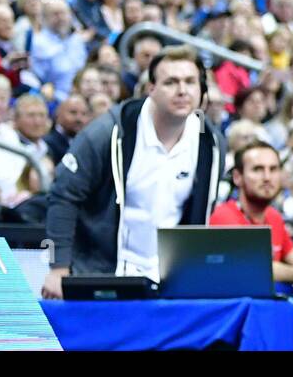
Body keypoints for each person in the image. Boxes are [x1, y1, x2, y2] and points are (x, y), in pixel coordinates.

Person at [42, 45, 226, 297]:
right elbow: (63, 196)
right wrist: (58, 267)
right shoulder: (109, 133)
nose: (182, 91)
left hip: (169, 282)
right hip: (104, 274)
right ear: (151, 89)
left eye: (190, 82)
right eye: (171, 82)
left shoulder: (211, 145)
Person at [209, 142, 293, 288]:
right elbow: (256, 269)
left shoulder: (274, 217)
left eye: (273, 169)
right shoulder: (223, 216)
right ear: (237, 177)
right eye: (258, 169)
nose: (267, 177)